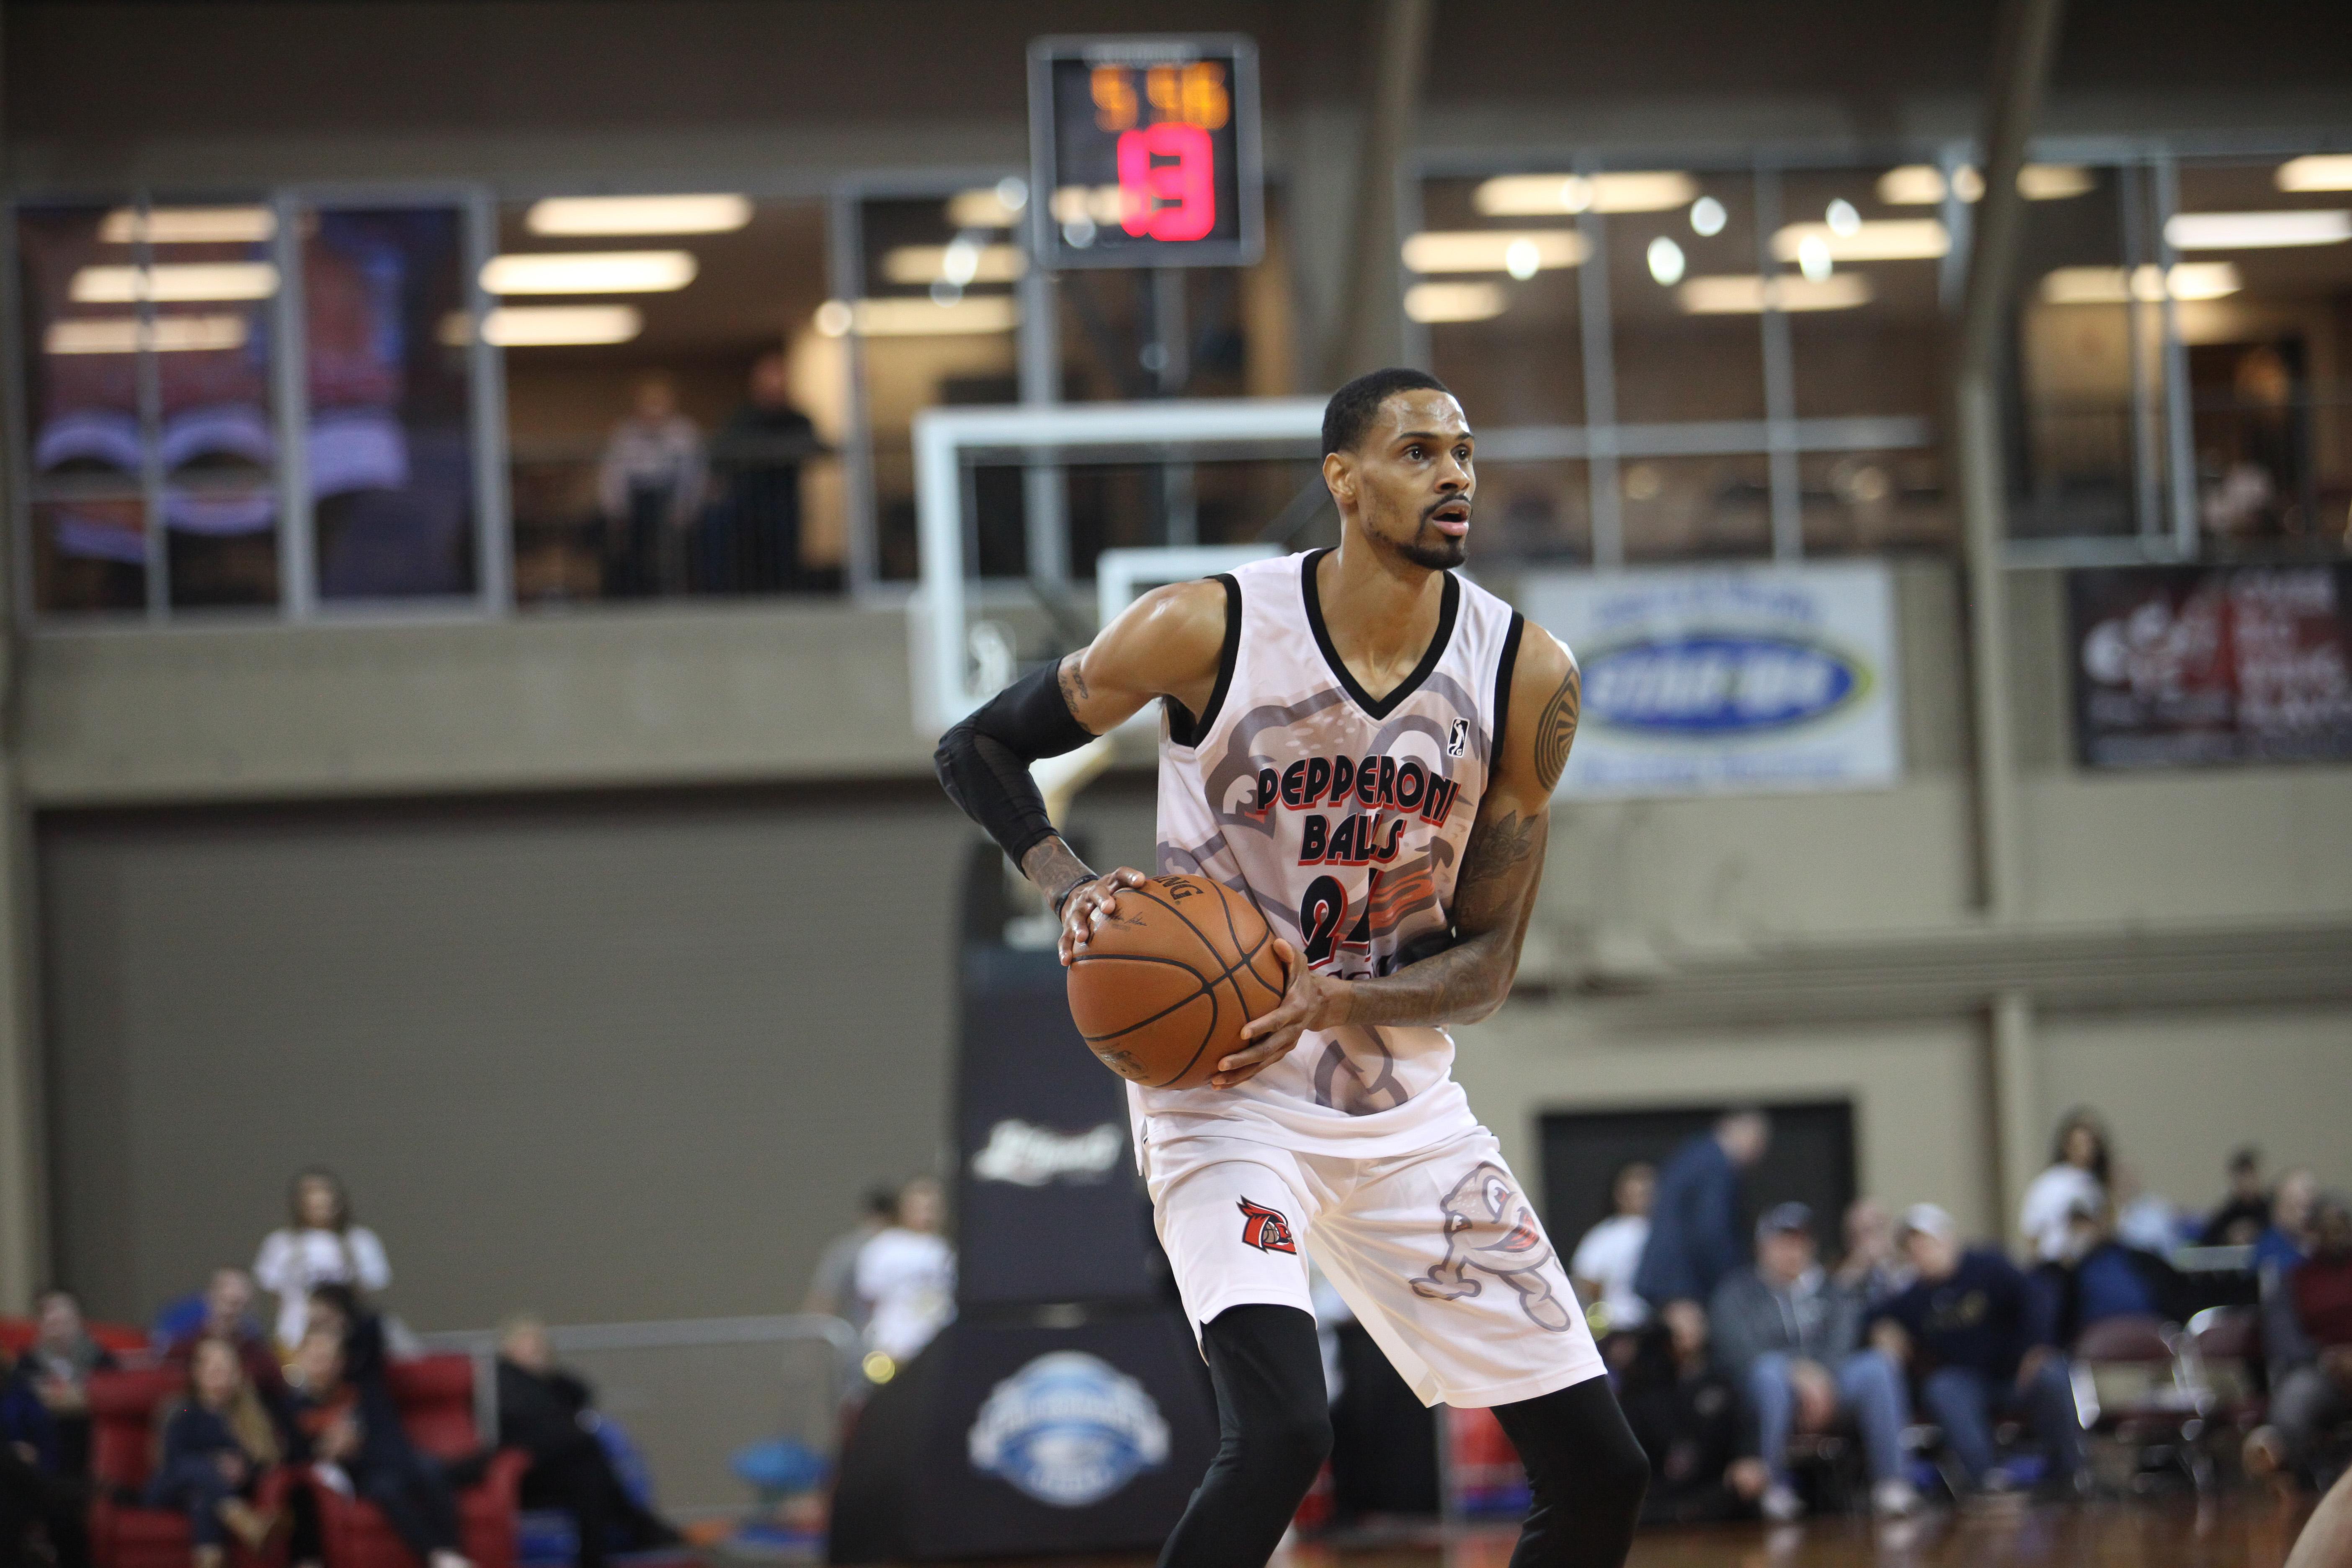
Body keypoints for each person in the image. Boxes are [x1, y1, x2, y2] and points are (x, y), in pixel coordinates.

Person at [934, 368, 1650, 1567]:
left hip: (1403, 1109)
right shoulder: (1205, 626)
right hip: (1221, 1091)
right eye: (1418, 452)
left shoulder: (1524, 675)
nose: (1455, 475)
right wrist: (1069, 884)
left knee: (1602, 1472)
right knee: (1278, 1432)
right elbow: (977, 748)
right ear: (1343, 480)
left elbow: (1484, 968)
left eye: (1464, 451)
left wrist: (1335, 996)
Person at [1709, 1204, 1916, 1520]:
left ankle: (1892, 1483)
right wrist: (1797, 1372)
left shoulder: (1832, 1290)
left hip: (1830, 1385)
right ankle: (1773, 1487)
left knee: (1877, 1366)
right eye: (1783, 1242)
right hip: (1767, 1392)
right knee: (1768, 1373)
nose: (1792, 1251)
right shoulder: (1736, 1292)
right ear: (1763, 1247)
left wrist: (1821, 1378)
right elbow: (1738, 1350)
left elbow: (1844, 1339)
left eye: (1800, 1242)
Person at [1872, 1204, 2083, 1499]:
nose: (1921, 1252)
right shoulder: (1914, 1298)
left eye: (1926, 1242)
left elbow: (2038, 1298)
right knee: (1943, 1388)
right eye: (1913, 1248)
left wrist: (2038, 1347)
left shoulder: (1988, 1267)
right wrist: (1882, 1328)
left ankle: (2070, 1474)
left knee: (2052, 1374)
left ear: (1947, 1240)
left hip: (2017, 1372)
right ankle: (1987, 1479)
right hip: (1969, 1384)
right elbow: (1875, 1317)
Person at [495, 1317, 680, 1568]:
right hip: (528, 1472)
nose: (535, 1351)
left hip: (562, 1469)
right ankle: (637, 1527)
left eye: (539, 1345)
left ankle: (615, 1543)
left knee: (590, 1478)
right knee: (588, 1459)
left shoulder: (547, 1384)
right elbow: (532, 1431)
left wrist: (547, 1374)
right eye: (528, 1344)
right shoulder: (503, 1383)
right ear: (509, 1348)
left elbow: (581, 1392)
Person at [284, 1326, 471, 1568]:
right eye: (316, 1358)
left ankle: (452, 1551)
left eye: (330, 1358)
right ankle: (437, 1554)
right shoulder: (293, 1408)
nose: (324, 1365)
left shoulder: (361, 1392)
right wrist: (326, 1452)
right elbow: (292, 1457)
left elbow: (370, 1330)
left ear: (341, 1362)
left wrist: (358, 1442)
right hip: (353, 1477)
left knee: (431, 1468)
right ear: (301, 1360)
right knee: (386, 1488)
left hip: (389, 1461)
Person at [1619, 1302, 1766, 1525]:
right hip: (1658, 1497)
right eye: (1676, 1323)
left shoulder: (1723, 1381)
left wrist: (1748, 1458)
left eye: (1692, 1321)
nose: (1684, 1330)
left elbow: (1745, 1428)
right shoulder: (1642, 1386)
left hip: (1714, 1490)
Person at [145, 1338, 287, 1568]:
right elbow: (173, 1461)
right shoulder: (183, 1408)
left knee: (204, 1501)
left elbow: (265, 1463)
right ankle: (244, 1522)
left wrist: (242, 1471)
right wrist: (214, 1464)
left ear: (238, 1374)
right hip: (170, 1489)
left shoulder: (250, 1416)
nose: (221, 1374)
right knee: (198, 1468)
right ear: (197, 1373)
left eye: (227, 1368)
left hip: (207, 1496)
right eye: (213, 1367)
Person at [2246, 1195, 2352, 1488]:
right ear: (2313, 1232)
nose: (2336, 1233)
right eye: (2328, 1227)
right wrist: (2328, 1360)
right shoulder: (2293, 1279)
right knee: (2295, 1398)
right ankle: (2287, 1470)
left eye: (2342, 1225)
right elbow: (2283, 1337)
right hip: (2319, 1369)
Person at [1634, 1111, 1770, 1316]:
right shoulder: (1716, 1166)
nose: (1759, 1153)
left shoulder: (1695, 1154)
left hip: (1672, 1280)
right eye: (1758, 1142)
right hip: (1682, 1285)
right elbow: (1711, 1231)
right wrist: (1732, 1282)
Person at [709, 351, 820, 593]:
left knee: (783, 551)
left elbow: (811, 447)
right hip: (749, 499)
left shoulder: (797, 419)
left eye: (778, 379)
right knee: (748, 553)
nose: (773, 386)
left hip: (784, 499)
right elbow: (722, 453)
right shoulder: (741, 419)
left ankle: (787, 593)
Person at [254, 1168, 392, 1353]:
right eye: (311, 1193)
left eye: (325, 1192)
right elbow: (273, 1294)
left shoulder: (361, 1241)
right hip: (294, 1341)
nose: (319, 1200)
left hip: (352, 1342)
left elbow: (370, 1291)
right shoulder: (280, 1244)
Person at [597, 374, 705, 598]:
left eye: (659, 403)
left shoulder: (684, 433)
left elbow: (693, 477)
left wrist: (684, 510)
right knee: (611, 536)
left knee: (678, 545)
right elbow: (612, 476)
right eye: (648, 403)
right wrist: (617, 511)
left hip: (669, 502)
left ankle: (675, 594)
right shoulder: (624, 433)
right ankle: (626, 595)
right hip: (636, 502)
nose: (653, 410)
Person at [0, 1291, 114, 1482]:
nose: (58, 1328)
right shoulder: (27, 1362)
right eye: (51, 1321)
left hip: (87, 1439)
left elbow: (115, 1394)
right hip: (39, 1445)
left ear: (79, 1322)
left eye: (65, 1321)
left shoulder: (101, 1359)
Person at [852, 1178, 955, 1371]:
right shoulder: (883, 1248)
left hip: (939, 1349)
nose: (926, 1215)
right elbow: (869, 1299)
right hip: (894, 1351)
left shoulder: (949, 1249)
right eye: (918, 1207)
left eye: (932, 1208)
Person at [165, 1269, 285, 1401]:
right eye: (225, 1301)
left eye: (237, 1304)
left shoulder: (258, 1356)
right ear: (210, 1297)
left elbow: (280, 1394)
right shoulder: (185, 1346)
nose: (229, 1312)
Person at [1570, 1163, 1654, 1338]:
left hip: (1657, 1327)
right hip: (1616, 1329)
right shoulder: (1604, 1235)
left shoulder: (1666, 1234)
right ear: (1620, 1195)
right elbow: (1587, 1282)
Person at [2018, 1109, 2110, 1264]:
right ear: (2067, 1146)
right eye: (2080, 1144)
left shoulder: (2097, 1186)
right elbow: (2033, 1231)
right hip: (2055, 1265)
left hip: (2091, 1264)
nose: (2087, 1150)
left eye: (2090, 1143)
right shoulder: (2049, 1184)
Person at [802, 1186, 897, 1333]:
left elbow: (823, 1300)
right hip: (866, 1334)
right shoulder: (849, 1251)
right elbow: (824, 1300)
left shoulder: (846, 1249)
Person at [1833, 1199, 1908, 1307]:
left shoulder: (1906, 1264)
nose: (1863, 1241)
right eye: (1855, 1235)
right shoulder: (1845, 1272)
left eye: (1869, 1231)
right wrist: (1856, 1267)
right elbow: (1835, 1298)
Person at [2205, 1146, 2272, 1248]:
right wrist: (2228, 1238)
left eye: (2250, 1176)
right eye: (2242, 1177)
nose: (2247, 1183)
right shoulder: (2226, 1214)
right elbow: (2207, 1246)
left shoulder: (2272, 1211)